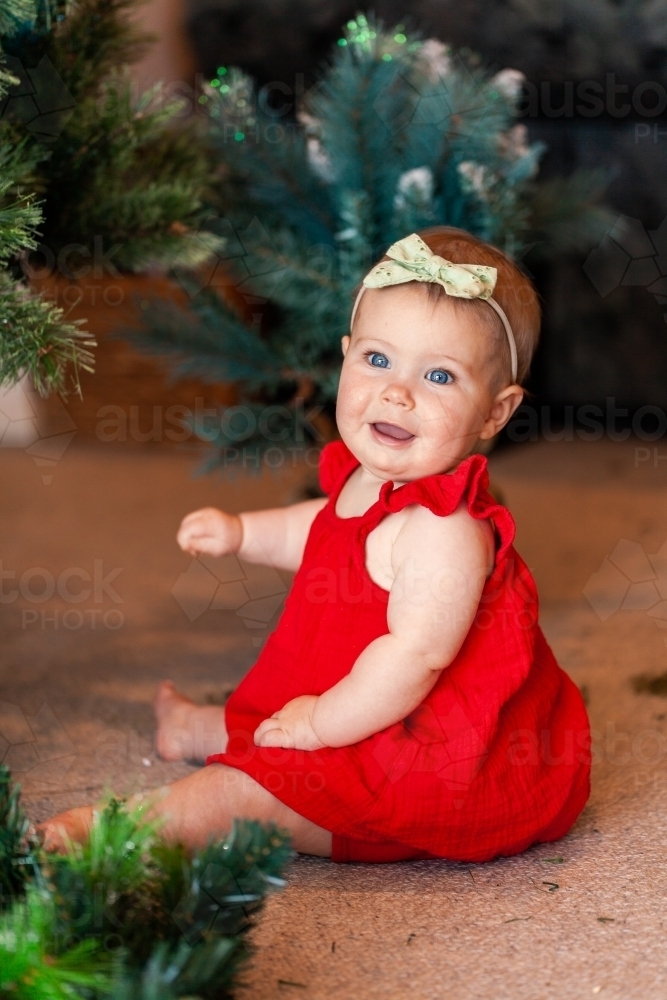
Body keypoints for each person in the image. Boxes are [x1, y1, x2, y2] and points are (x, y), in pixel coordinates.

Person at [39, 228, 591, 862]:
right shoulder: (366, 475)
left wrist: (321, 723)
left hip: (418, 750)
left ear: (496, 412)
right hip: (353, 692)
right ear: (346, 356)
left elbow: (417, 657)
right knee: (269, 720)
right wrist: (244, 532)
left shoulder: (445, 527)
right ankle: (194, 728)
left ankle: (110, 831)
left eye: (439, 375)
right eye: (377, 360)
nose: (397, 392)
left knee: (250, 791)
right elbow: (325, 530)